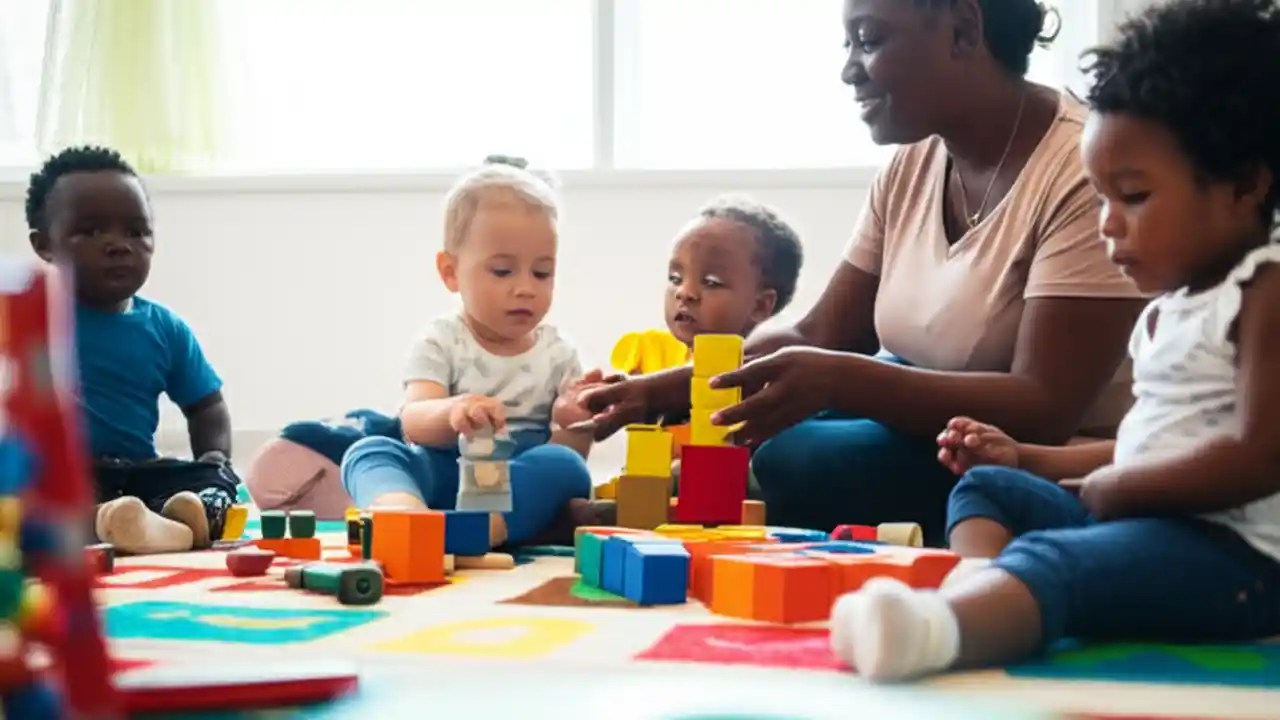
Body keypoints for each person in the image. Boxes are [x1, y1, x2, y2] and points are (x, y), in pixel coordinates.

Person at [578, 0, 1146, 544]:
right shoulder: (913, 163)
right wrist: (661, 393)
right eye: (848, 43)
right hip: (918, 419)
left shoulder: (1080, 169)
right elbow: (819, 336)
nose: (850, 69)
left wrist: (841, 379)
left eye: (869, 40)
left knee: (797, 455)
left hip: (1028, 450)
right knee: (775, 420)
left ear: (963, 30)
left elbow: (1044, 407)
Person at [829, 0, 1280, 682]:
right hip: (1148, 514)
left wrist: (1125, 489)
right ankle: (976, 599)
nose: (1108, 228)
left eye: (1132, 198)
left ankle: (942, 631)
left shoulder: (1263, 292)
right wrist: (1032, 459)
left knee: (1056, 565)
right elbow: (1159, 440)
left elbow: (1259, 457)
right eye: (1100, 200)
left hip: (1239, 559)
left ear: (1244, 185)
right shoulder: (1174, 307)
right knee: (989, 487)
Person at [340, 159, 595, 548]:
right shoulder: (441, 340)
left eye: (542, 273)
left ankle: (482, 531)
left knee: (565, 466)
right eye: (502, 271)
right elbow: (414, 419)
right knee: (369, 451)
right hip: (445, 469)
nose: (525, 288)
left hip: (514, 481)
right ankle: (403, 513)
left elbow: (571, 456)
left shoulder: (559, 354)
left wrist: (573, 425)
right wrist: (453, 411)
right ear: (451, 272)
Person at [26, 146, 240, 554]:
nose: (118, 245)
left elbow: (206, 406)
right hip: (63, 477)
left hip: (139, 475)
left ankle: (170, 521)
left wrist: (214, 455)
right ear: (45, 245)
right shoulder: (29, 322)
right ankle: (132, 525)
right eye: (91, 231)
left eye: (136, 231)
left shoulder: (165, 328)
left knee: (220, 483)